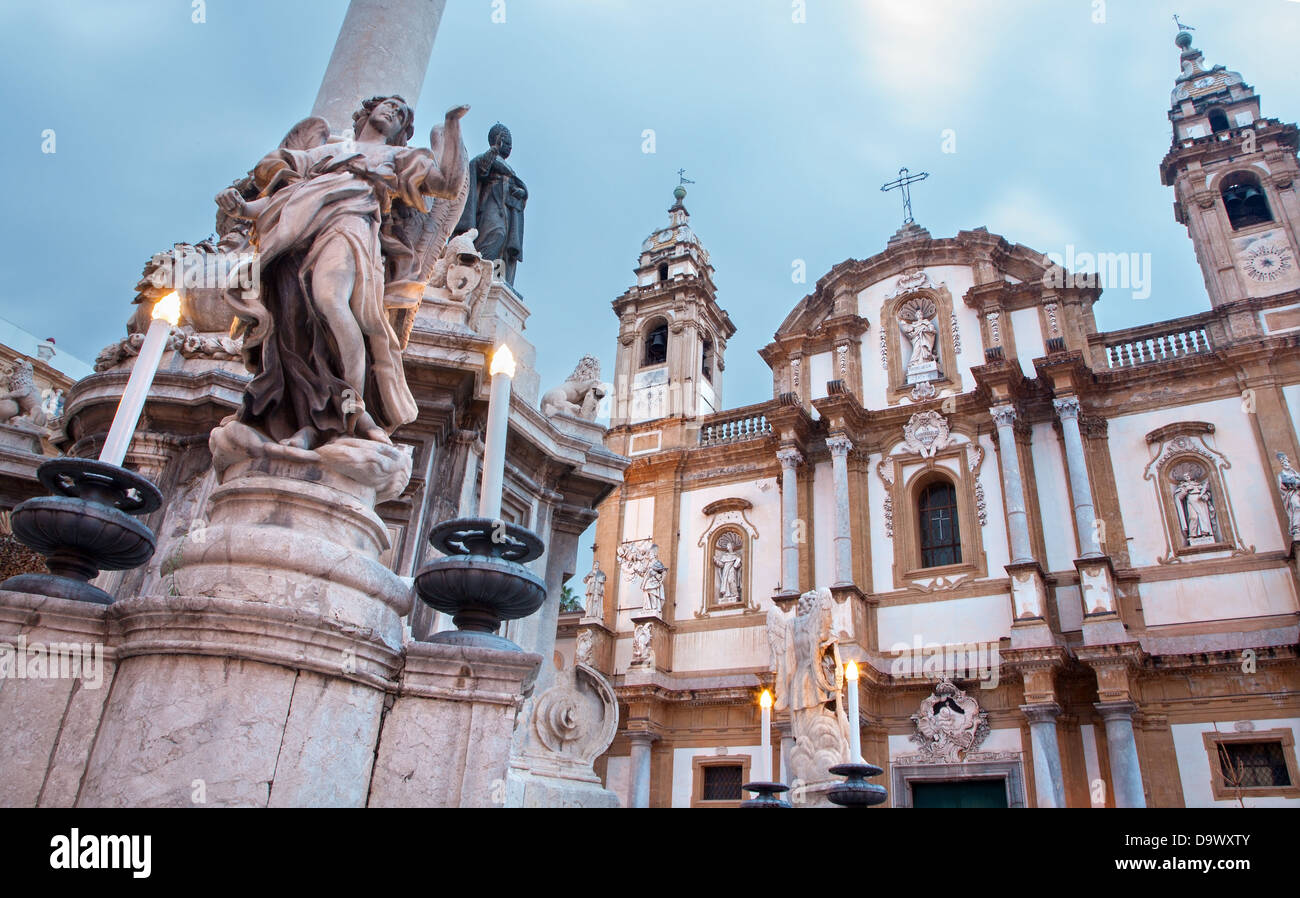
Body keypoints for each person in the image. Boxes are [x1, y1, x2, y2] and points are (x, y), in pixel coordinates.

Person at [217, 96, 467, 448]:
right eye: (389, 105)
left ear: (401, 132)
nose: (393, 112)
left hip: (350, 225)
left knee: (331, 300)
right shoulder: (324, 153)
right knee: (292, 321)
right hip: (295, 236)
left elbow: (448, 185)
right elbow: (287, 199)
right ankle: (307, 417)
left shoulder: (397, 158)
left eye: (400, 114)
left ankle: (349, 405)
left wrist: (451, 128)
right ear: (367, 111)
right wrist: (242, 207)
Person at [455, 124, 526, 285]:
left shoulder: (509, 170)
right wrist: (494, 149)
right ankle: (476, 274)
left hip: (507, 211)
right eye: (506, 142)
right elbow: (481, 168)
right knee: (495, 235)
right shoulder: (487, 159)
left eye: (510, 144)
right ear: (497, 140)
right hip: (490, 206)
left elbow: (519, 188)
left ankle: (497, 278)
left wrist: (521, 192)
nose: (509, 147)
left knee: (504, 249)